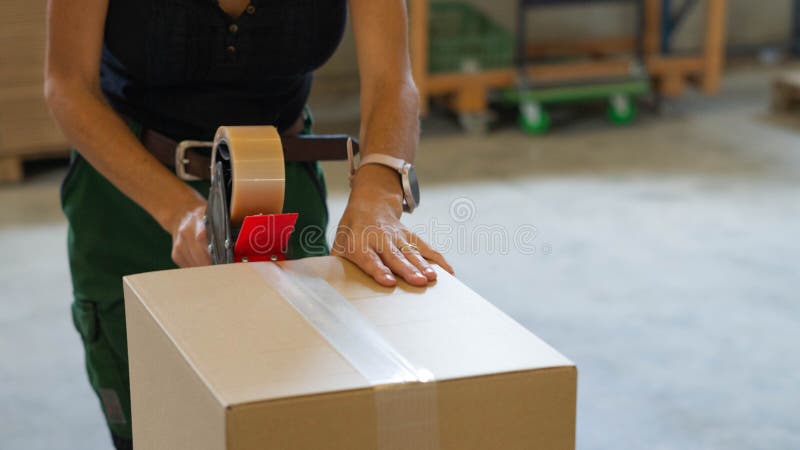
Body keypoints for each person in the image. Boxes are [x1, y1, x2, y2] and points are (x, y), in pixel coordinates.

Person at [45, 1, 453, 448]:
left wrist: (378, 194)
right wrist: (177, 209)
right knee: (159, 420)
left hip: (282, 185)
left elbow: (390, 80)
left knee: (286, 407)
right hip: (130, 193)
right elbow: (68, 86)